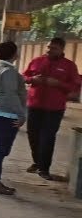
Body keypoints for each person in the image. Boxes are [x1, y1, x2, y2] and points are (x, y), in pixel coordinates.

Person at [22, 37, 81, 180]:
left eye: (53, 48)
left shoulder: (69, 66)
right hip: (34, 104)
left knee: (47, 137)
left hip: (54, 108)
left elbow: (75, 85)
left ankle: (44, 168)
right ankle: (37, 161)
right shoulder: (37, 61)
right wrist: (31, 79)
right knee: (33, 134)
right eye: (48, 47)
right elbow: (25, 75)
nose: (49, 50)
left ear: (61, 50)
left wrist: (58, 84)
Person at [0, 41, 26, 196]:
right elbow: (11, 95)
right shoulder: (7, 71)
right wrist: (21, 114)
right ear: (14, 54)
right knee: (0, 149)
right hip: (7, 114)